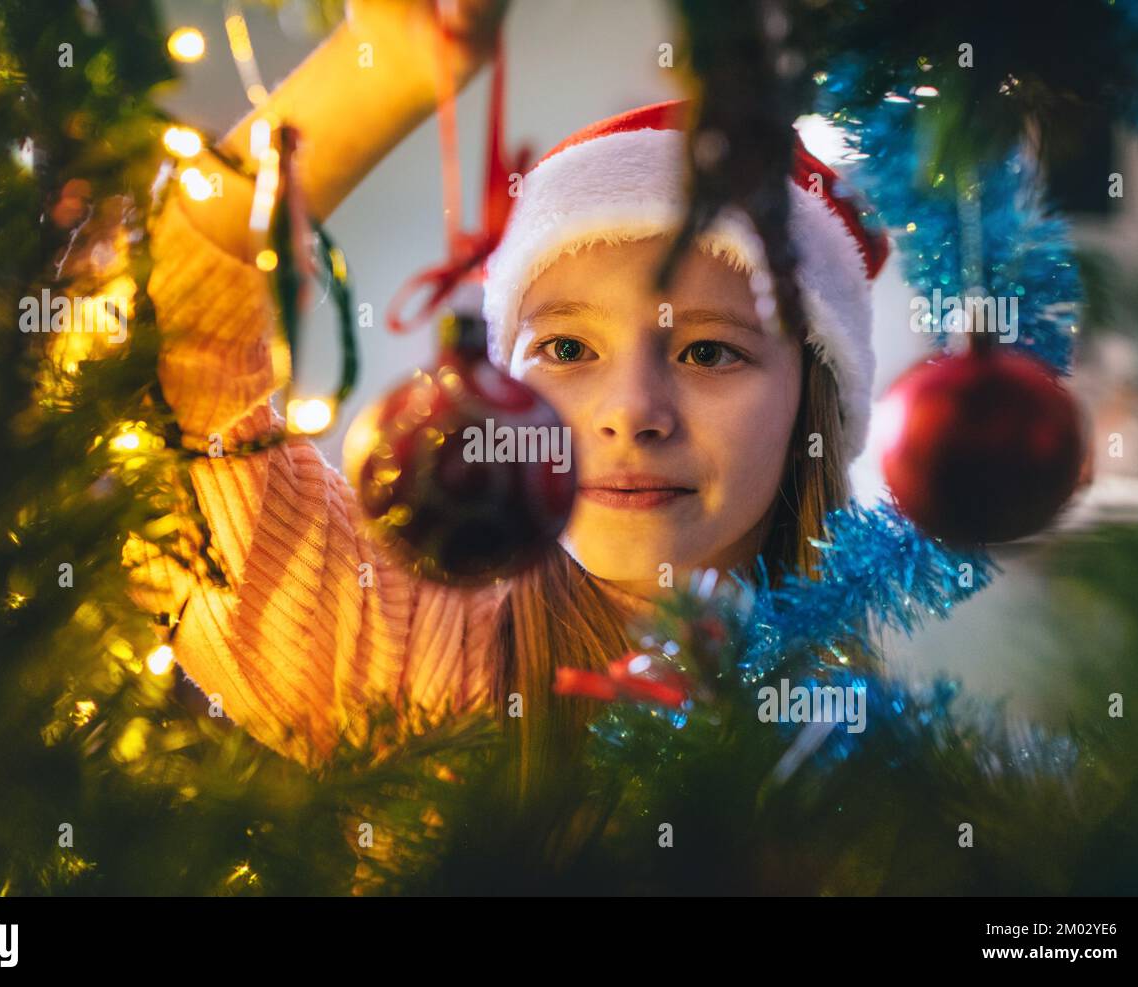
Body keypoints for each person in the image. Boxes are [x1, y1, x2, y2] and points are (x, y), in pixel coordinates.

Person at [127, 0, 888, 797]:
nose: (630, 411)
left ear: (816, 401)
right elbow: (163, 357)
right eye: (566, 348)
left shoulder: (896, 779)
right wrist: (383, 69)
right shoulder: (403, 654)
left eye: (708, 351)